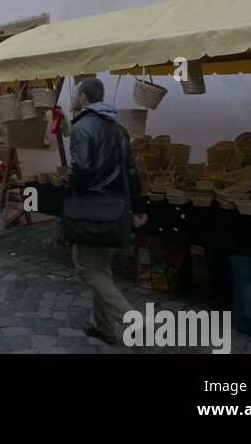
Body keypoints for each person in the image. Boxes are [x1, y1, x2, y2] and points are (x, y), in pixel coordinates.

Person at [68, 78, 147, 345]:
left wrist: (74, 193)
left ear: (83, 98)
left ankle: (130, 317)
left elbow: (80, 170)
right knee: (102, 268)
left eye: (78, 95)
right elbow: (132, 172)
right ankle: (104, 328)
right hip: (115, 209)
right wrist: (137, 206)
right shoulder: (120, 130)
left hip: (92, 208)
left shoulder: (81, 127)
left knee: (86, 269)